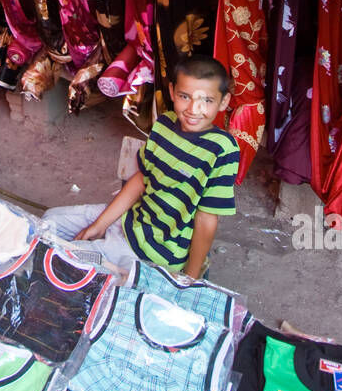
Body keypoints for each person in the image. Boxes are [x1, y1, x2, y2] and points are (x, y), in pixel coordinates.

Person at [41, 55, 239, 278]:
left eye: (207, 101)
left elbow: (206, 219)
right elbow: (141, 180)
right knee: (50, 221)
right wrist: (100, 225)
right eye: (185, 96)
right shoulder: (164, 124)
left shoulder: (222, 149)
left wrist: (189, 279)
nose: (194, 109)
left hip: (152, 252)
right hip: (129, 220)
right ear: (172, 92)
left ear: (224, 101)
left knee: (70, 260)